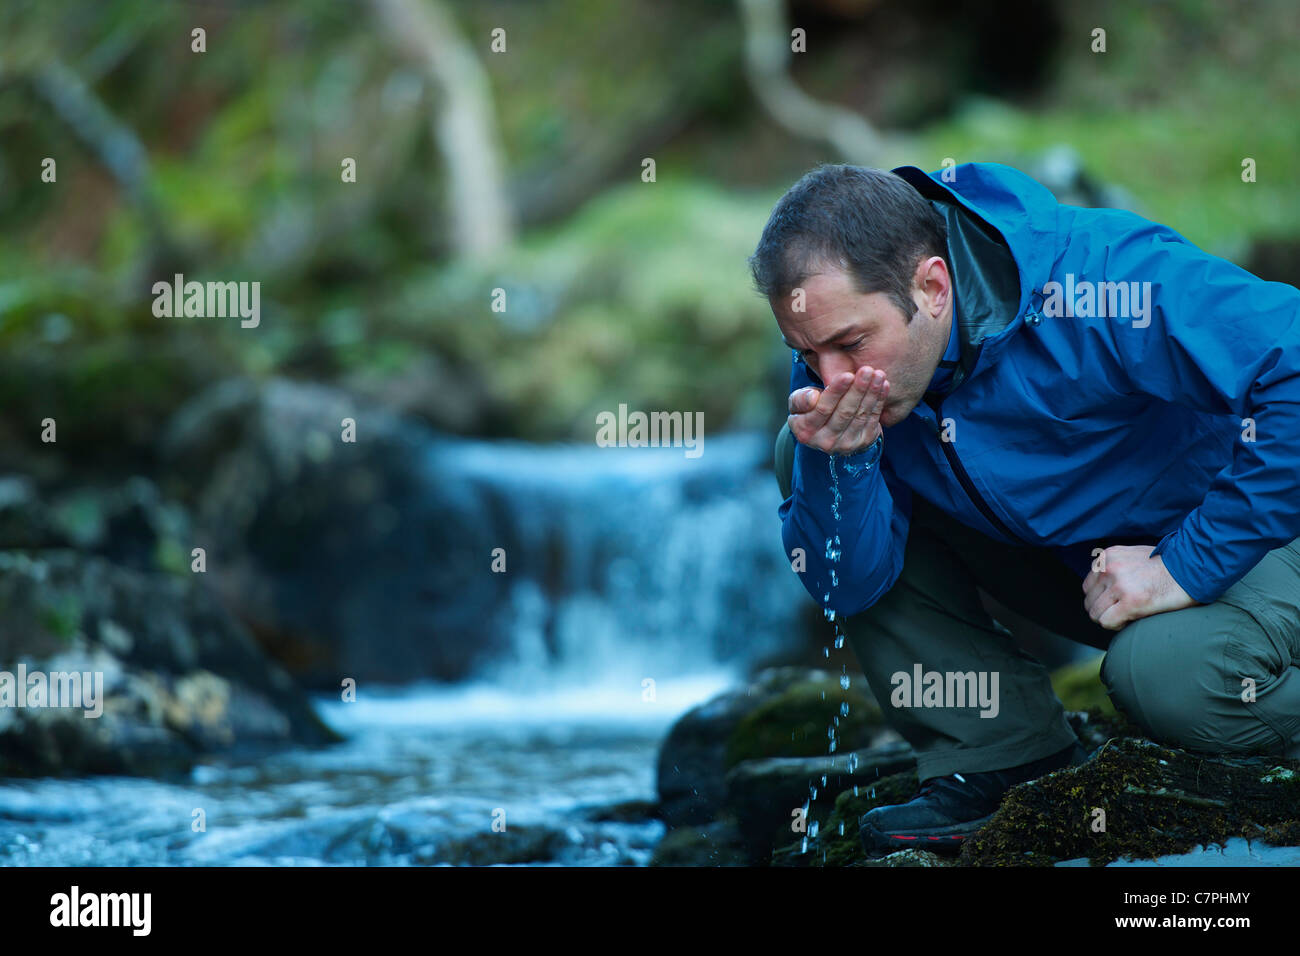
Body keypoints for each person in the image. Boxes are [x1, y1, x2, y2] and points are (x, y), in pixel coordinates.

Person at [750, 162, 1300, 854]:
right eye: (805, 351)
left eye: (851, 344)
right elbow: (849, 586)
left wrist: (1183, 566)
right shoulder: (844, 377)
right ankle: (1003, 749)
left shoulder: (1104, 280)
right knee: (803, 451)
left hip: (1260, 536)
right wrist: (847, 464)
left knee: (1163, 679)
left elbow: (1296, 362)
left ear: (933, 286)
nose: (831, 379)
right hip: (1094, 574)